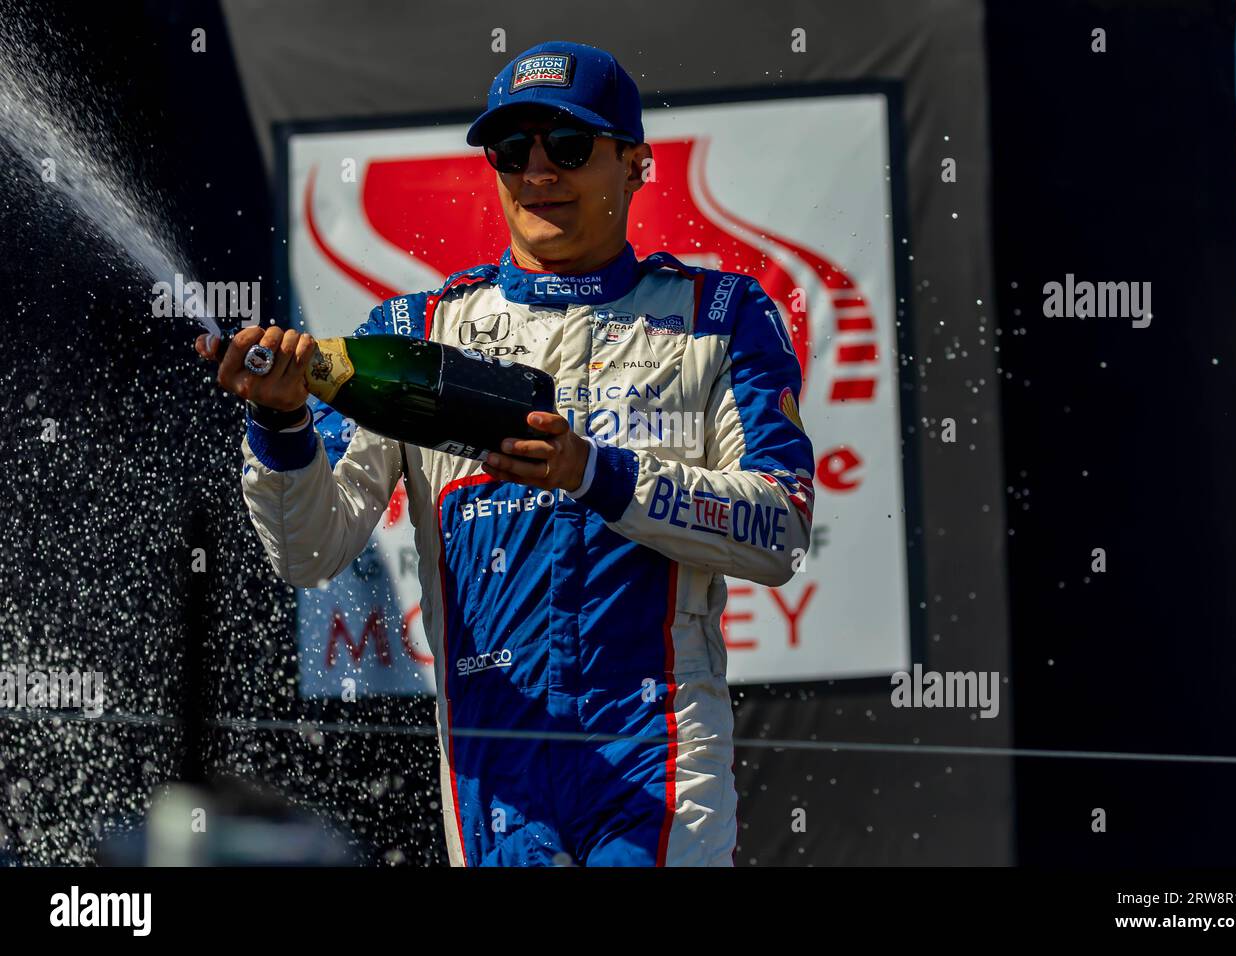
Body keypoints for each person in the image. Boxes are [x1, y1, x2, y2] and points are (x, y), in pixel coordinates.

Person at [197, 40, 815, 867]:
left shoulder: (721, 316)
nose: (538, 172)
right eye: (511, 149)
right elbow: (310, 552)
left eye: (567, 147)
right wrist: (280, 427)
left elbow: (779, 531)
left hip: (656, 750)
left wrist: (595, 473)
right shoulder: (412, 335)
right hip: (495, 765)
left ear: (635, 165)